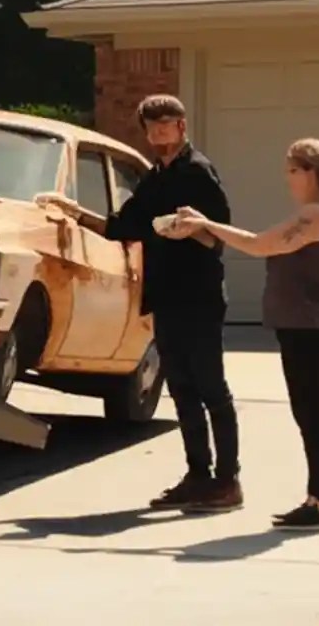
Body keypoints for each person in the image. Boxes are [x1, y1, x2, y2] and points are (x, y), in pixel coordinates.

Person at [174, 138, 319, 531]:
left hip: (312, 329)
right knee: (309, 416)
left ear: (309, 172)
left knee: (314, 417)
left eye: (291, 169)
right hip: (302, 328)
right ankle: (317, 499)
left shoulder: (317, 216)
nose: (286, 177)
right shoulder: (315, 212)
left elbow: (257, 245)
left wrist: (204, 224)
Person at [105, 94, 243, 514]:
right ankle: (197, 475)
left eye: (165, 124)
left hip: (199, 295)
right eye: (151, 126)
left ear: (182, 127)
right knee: (181, 388)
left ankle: (228, 480)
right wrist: (73, 215)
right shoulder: (155, 177)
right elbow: (123, 225)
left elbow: (220, 233)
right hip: (165, 295)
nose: (157, 132)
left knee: (211, 387)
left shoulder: (197, 171)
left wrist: (194, 229)